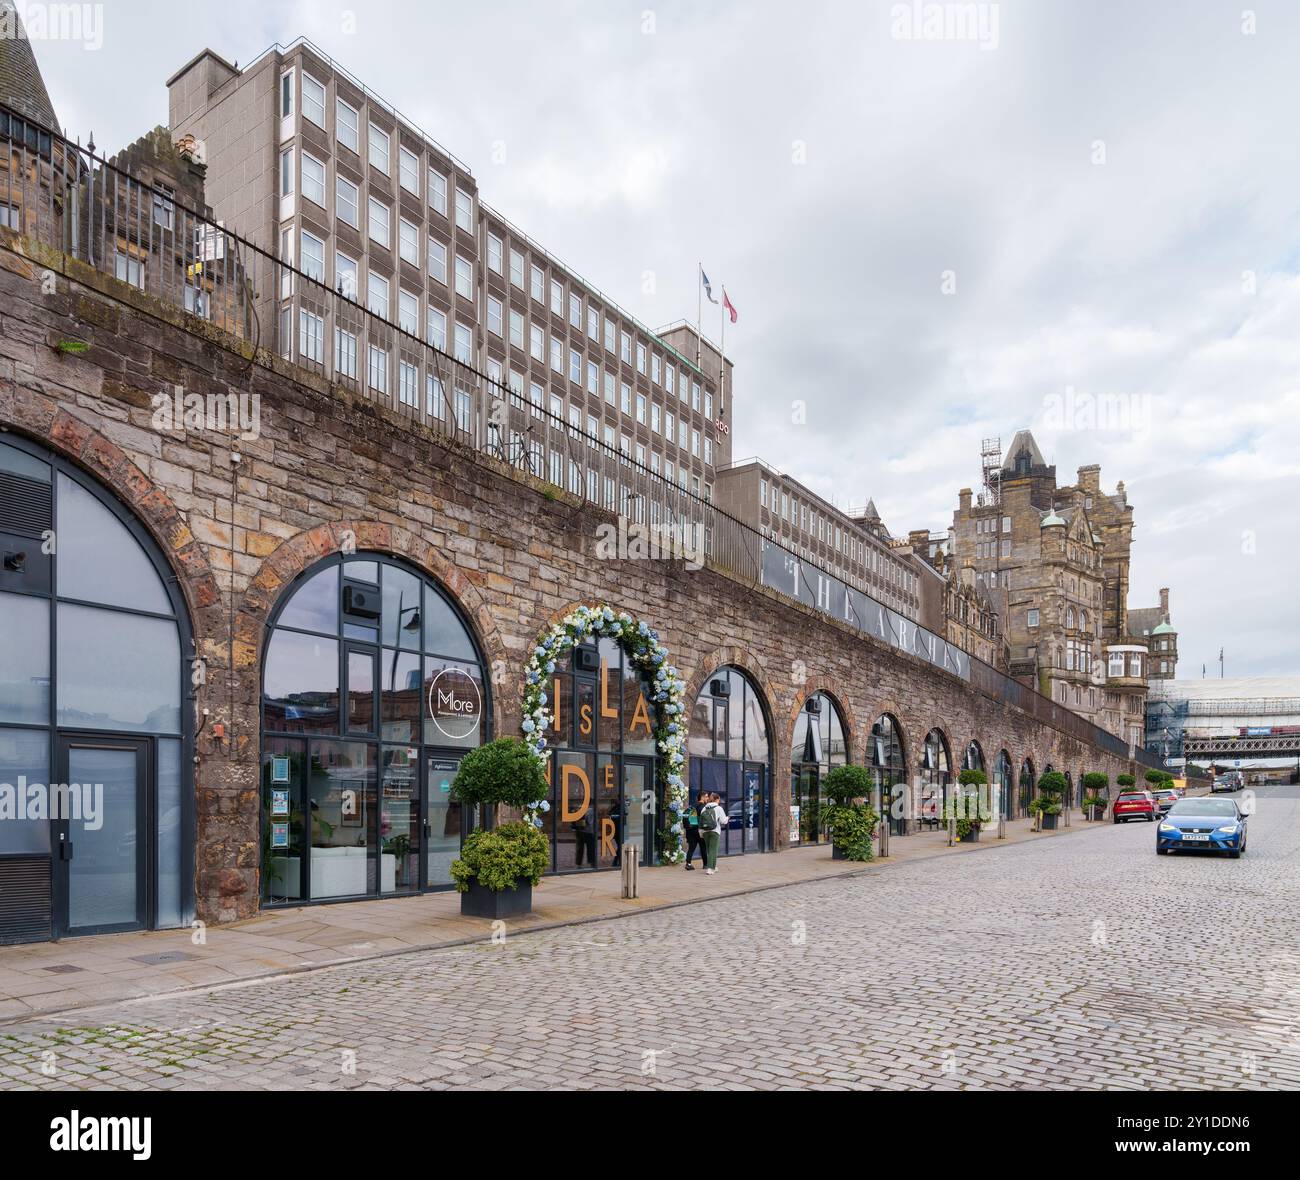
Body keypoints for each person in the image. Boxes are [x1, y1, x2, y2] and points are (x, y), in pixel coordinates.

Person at [697, 792, 727, 875]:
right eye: (719, 799)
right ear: (717, 799)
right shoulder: (718, 808)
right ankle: (710, 868)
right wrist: (727, 818)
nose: (719, 801)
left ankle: (714, 866)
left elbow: (700, 821)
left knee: (709, 850)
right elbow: (723, 821)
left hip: (705, 831)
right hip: (714, 831)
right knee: (713, 850)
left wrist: (701, 832)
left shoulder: (704, 808)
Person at [683, 798, 705, 870]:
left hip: (689, 831)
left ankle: (688, 864)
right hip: (697, 830)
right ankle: (705, 864)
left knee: (691, 848)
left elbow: (685, 823)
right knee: (703, 847)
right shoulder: (701, 807)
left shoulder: (688, 810)